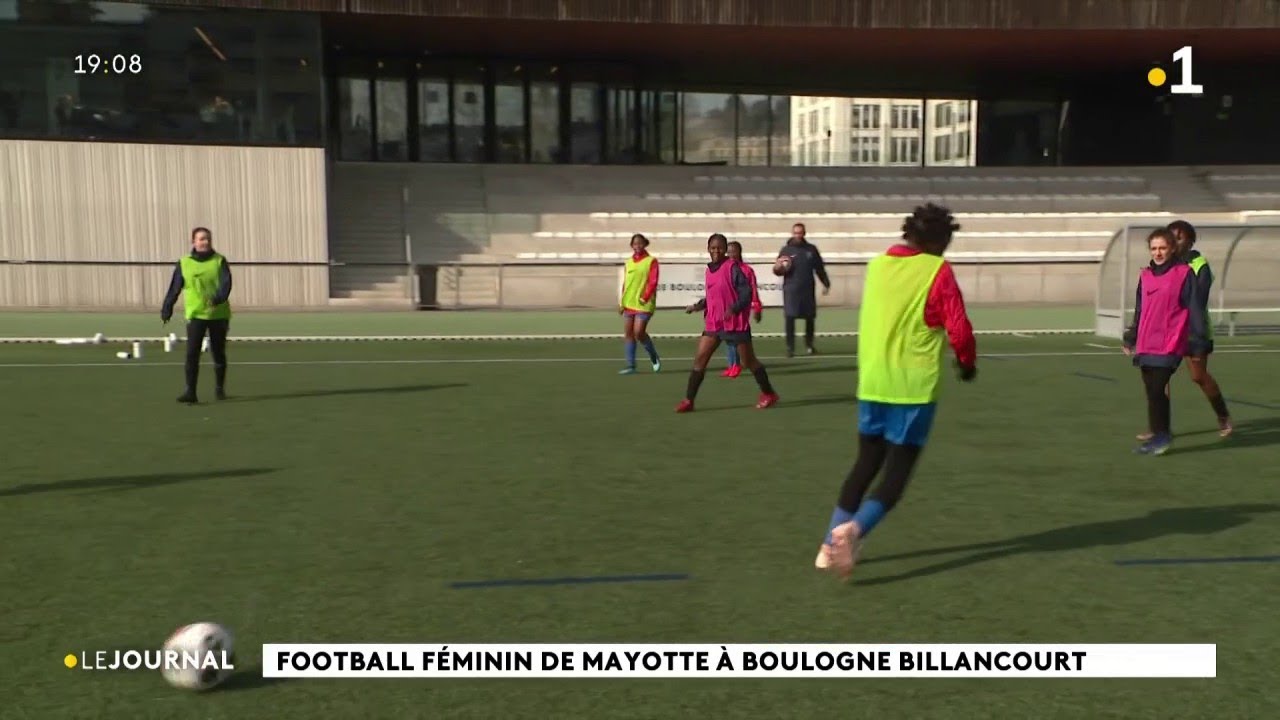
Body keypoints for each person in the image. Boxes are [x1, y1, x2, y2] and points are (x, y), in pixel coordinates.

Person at [816, 203, 977, 580]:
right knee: (897, 475)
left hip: (873, 383)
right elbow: (958, 327)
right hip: (912, 390)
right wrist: (967, 364)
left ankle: (827, 547)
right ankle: (853, 532)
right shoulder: (937, 270)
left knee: (865, 463)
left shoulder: (878, 266)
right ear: (938, 241)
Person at [1132, 220, 1231, 439]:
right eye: (1172, 237)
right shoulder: (1164, 264)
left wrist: (1196, 334)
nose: (1175, 240)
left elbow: (1196, 301)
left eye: (1180, 236)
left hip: (1192, 331)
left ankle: (1222, 414)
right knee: (1158, 380)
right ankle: (1159, 428)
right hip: (1168, 331)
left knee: (1198, 376)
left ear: (1190, 240)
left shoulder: (1198, 265)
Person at [1122, 228, 1209, 455]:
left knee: (1159, 388)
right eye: (1154, 248)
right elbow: (1140, 309)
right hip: (1146, 341)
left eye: (1162, 248)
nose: (1158, 252)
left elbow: (1195, 309)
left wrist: (1199, 341)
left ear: (1171, 248)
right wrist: (1131, 336)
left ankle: (1162, 437)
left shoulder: (1184, 273)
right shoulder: (1145, 276)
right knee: (1152, 390)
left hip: (1170, 342)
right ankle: (1159, 434)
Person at [675, 234, 779, 413]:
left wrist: (734, 309)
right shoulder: (708, 271)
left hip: (734, 324)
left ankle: (769, 394)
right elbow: (712, 297)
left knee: (749, 362)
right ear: (708, 249)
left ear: (725, 250)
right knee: (700, 359)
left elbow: (746, 293)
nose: (716, 251)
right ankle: (688, 400)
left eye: (720, 248)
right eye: (713, 247)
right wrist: (697, 306)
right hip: (714, 323)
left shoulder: (733, 268)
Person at [161, 227, 233, 404]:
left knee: (218, 353)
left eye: (207, 238)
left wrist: (217, 299)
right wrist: (167, 307)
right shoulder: (184, 263)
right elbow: (175, 287)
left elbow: (226, 284)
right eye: (201, 239)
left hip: (218, 315)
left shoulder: (219, 261)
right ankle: (190, 392)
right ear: (193, 242)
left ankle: (219, 388)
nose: (205, 242)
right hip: (195, 315)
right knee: (192, 354)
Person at [774, 222, 830, 357]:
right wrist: (778, 268)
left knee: (810, 318)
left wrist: (826, 283)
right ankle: (790, 348)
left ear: (804, 233)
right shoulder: (786, 250)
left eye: (800, 233)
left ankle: (809, 346)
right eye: (796, 233)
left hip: (807, 289)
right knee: (790, 318)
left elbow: (819, 269)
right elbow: (778, 270)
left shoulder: (811, 250)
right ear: (792, 234)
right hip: (791, 290)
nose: (798, 235)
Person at [617, 233, 662, 375]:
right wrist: (622, 302)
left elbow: (653, 281)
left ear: (645, 244)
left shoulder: (651, 261)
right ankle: (631, 365)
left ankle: (653, 356)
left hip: (643, 303)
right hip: (629, 303)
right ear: (632, 246)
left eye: (640, 243)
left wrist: (645, 297)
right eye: (635, 244)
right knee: (629, 333)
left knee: (639, 332)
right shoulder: (628, 262)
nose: (637, 246)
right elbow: (626, 284)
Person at [721, 240, 763, 378]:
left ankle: (737, 365)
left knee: (736, 335)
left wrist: (756, 307)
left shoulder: (746, 270)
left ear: (740, 252)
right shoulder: (725, 268)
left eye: (734, 251)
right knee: (728, 335)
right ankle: (732, 364)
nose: (732, 254)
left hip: (740, 307)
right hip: (727, 307)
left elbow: (753, 290)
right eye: (729, 251)